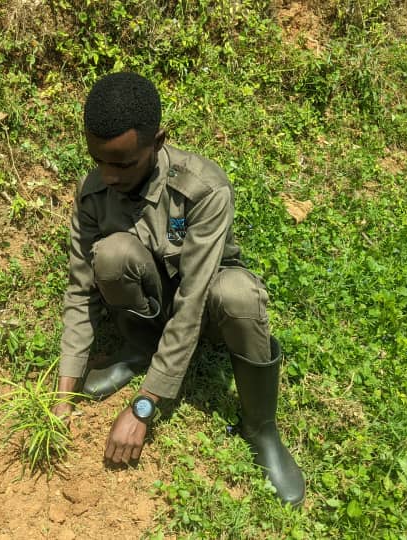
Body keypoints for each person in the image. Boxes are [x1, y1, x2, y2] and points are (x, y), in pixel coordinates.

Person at [51, 72, 305, 506]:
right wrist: (62, 394)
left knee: (240, 296)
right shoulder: (93, 194)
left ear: (159, 141)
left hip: (205, 304)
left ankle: (261, 428)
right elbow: (80, 290)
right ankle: (138, 351)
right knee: (110, 256)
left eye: (124, 163)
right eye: (99, 160)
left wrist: (144, 406)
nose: (109, 175)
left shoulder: (203, 188)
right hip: (151, 305)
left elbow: (193, 300)